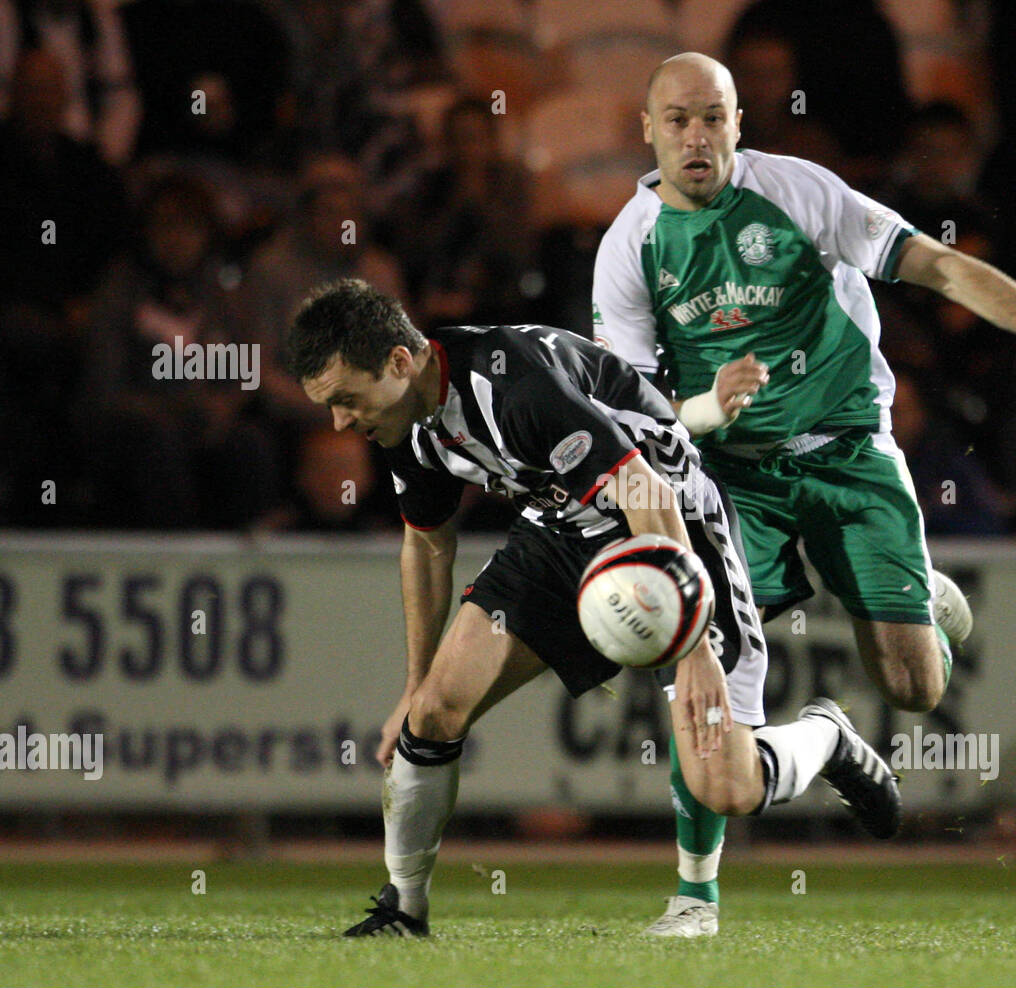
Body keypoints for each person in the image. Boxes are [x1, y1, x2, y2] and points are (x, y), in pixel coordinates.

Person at [593, 52, 1016, 937]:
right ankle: (694, 897)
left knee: (917, 688)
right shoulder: (629, 248)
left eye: (714, 118)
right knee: (707, 671)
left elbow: (938, 267)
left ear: (739, 124)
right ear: (647, 131)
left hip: (850, 452)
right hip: (736, 478)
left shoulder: (803, 192)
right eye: (679, 120)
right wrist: (701, 417)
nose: (698, 137)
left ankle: (913, 601)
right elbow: (636, 413)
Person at [284, 278, 901, 937]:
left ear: (400, 363)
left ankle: (816, 749)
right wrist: (414, 683)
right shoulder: (406, 422)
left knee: (728, 783)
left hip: (666, 523)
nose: (341, 422)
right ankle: (404, 909)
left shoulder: (511, 383)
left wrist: (692, 653)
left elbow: (646, 491)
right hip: (561, 530)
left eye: (347, 400)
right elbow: (428, 547)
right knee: (434, 712)